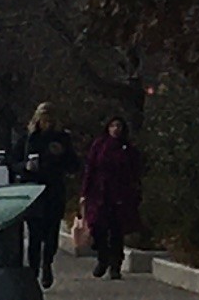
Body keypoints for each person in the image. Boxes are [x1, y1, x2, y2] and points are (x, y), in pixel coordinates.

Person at [17, 102, 80, 288]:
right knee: (35, 235)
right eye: (43, 118)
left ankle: (47, 264)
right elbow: (13, 161)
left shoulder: (62, 139)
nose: (47, 122)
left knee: (51, 234)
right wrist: (24, 167)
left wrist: (63, 158)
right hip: (33, 190)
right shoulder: (28, 139)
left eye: (50, 118)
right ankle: (33, 270)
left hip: (54, 190)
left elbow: (73, 164)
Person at [82, 112, 144, 279]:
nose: (116, 129)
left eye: (119, 126)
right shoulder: (99, 145)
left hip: (120, 195)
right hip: (100, 193)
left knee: (117, 231)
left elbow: (135, 171)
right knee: (98, 228)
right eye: (113, 126)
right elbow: (91, 168)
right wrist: (85, 192)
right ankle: (103, 259)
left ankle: (115, 265)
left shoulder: (127, 149)